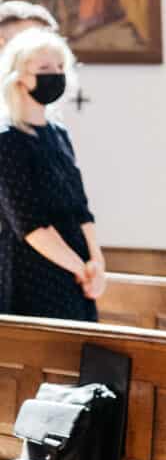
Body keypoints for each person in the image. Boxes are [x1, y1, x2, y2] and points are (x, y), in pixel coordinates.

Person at [0, 28, 105, 320]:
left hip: (76, 274)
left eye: (60, 67)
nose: (55, 74)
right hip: (32, 275)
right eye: (45, 68)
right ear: (19, 77)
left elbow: (80, 208)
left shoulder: (58, 134)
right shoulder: (7, 140)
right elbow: (30, 225)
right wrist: (80, 268)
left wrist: (96, 262)